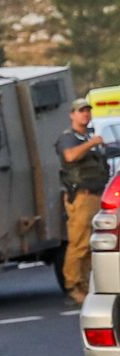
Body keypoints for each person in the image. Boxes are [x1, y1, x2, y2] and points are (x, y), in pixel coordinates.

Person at [59, 98, 110, 305]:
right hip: (80, 197)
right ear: (72, 115)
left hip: (96, 196)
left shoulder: (87, 137)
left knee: (91, 244)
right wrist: (92, 143)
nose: (85, 115)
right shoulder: (69, 138)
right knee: (78, 244)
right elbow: (69, 157)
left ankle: (86, 285)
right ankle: (73, 286)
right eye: (81, 111)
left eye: (88, 111)